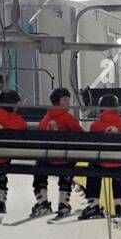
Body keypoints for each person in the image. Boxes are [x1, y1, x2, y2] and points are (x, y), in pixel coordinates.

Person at [33, 87, 83, 216]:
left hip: (47, 160)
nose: (68, 103)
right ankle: (63, 203)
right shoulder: (68, 118)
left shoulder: (45, 119)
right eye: (65, 99)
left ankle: (42, 201)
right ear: (58, 102)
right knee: (69, 164)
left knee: (39, 167)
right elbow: (81, 136)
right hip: (65, 160)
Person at [80, 93, 121, 220]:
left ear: (101, 108)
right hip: (119, 163)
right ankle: (119, 205)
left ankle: (93, 204)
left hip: (101, 163)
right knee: (119, 170)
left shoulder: (95, 126)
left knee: (93, 168)